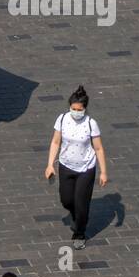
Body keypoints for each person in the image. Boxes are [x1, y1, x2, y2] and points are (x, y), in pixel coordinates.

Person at [45, 85, 108, 249]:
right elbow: (55, 142)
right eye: (73, 109)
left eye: (79, 110)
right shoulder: (62, 119)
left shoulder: (90, 124)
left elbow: (99, 148)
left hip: (86, 169)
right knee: (66, 200)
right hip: (66, 165)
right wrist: (50, 164)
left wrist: (103, 172)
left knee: (81, 204)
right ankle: (76, 215)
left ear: (84, 109)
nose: (76, 112)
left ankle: (79, 232)